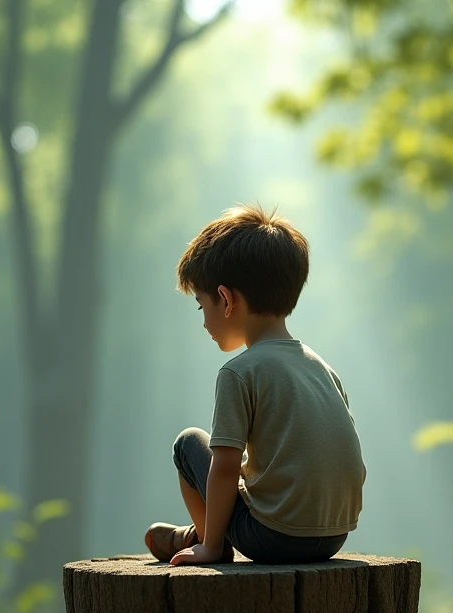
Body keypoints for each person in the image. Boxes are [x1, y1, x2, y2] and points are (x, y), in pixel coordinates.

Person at [145, 203, 366, 566]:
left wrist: (212, 549)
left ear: (227, 300)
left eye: (201, 306)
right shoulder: (322, 367)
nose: (202, 322)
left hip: (271, 537)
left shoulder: (239, 372)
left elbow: (226, 466)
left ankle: (208, 541)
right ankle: (198, 534)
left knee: (188, 444)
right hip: (334, 536)